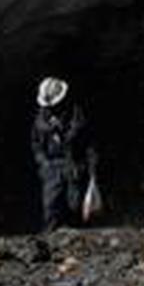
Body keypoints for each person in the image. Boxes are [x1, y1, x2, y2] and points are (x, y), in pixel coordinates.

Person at [30, 76, 97, 231]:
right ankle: (50, 239)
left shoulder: (77, 117)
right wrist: (44, 163)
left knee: (74, 206)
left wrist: (91, 171)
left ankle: (77, 241)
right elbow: (36, 145)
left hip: (74, 165)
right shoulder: (41, 119)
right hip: (52, 167)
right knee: (51, 207)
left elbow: (89, 144)